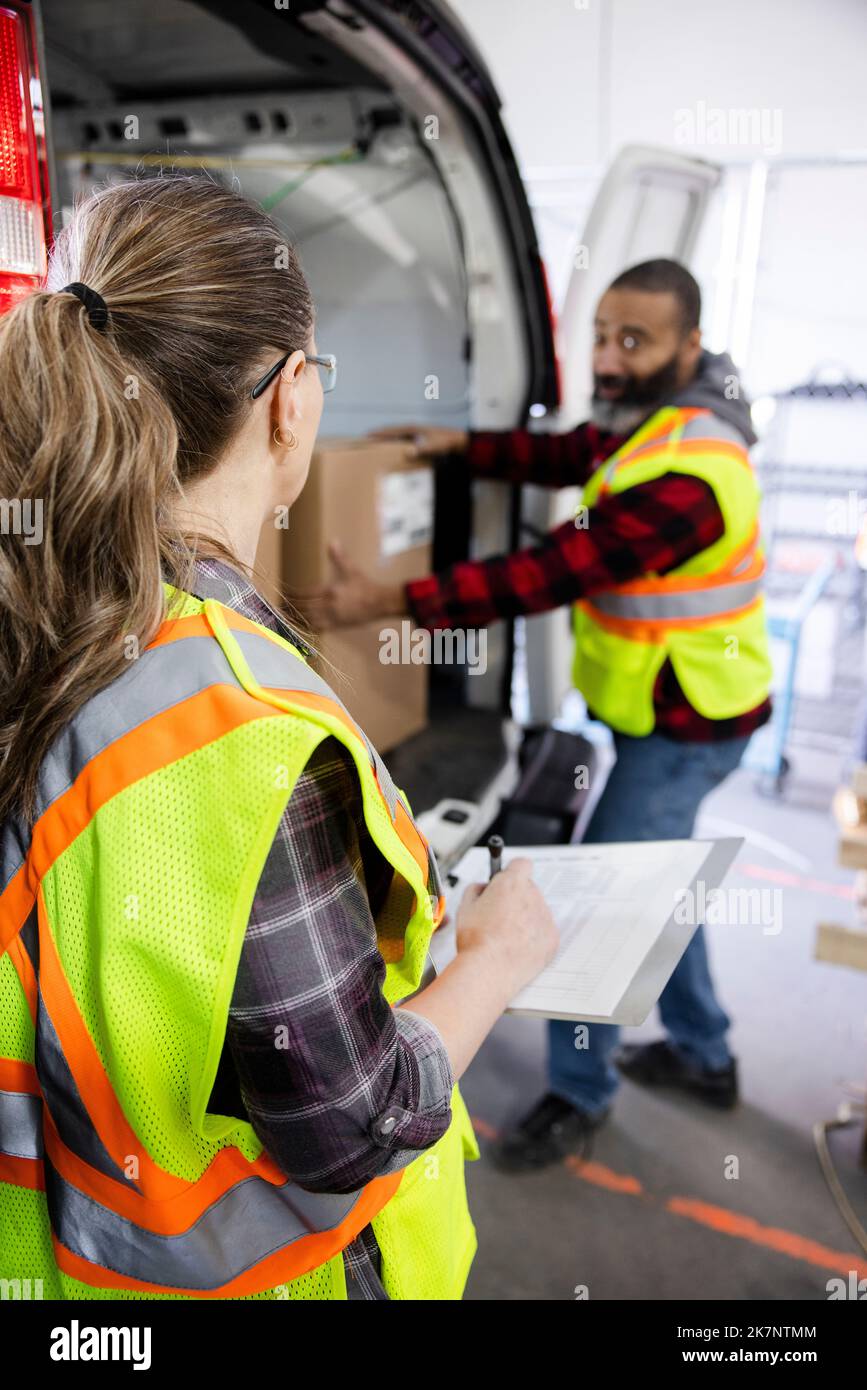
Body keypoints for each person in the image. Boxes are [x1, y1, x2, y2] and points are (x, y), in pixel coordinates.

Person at [0, 173, 559, 1299]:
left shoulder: (42, 613)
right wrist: (497, 960)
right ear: (290, 400)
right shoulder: (242, 733)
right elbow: (352, 1123)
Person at [309, 259, 774, 1173]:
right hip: (664, 711)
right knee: (665, 884)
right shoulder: (659, 421)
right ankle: (704, 1053)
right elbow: (568, 455)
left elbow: (547, 573)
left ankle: (580, 1091)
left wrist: (387, 603)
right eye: (600, 333)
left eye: (631, 340)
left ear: (688, 344)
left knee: (602, 904)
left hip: (689, 726)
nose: (607, 356)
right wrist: (458, 445)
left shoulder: (690, 478)